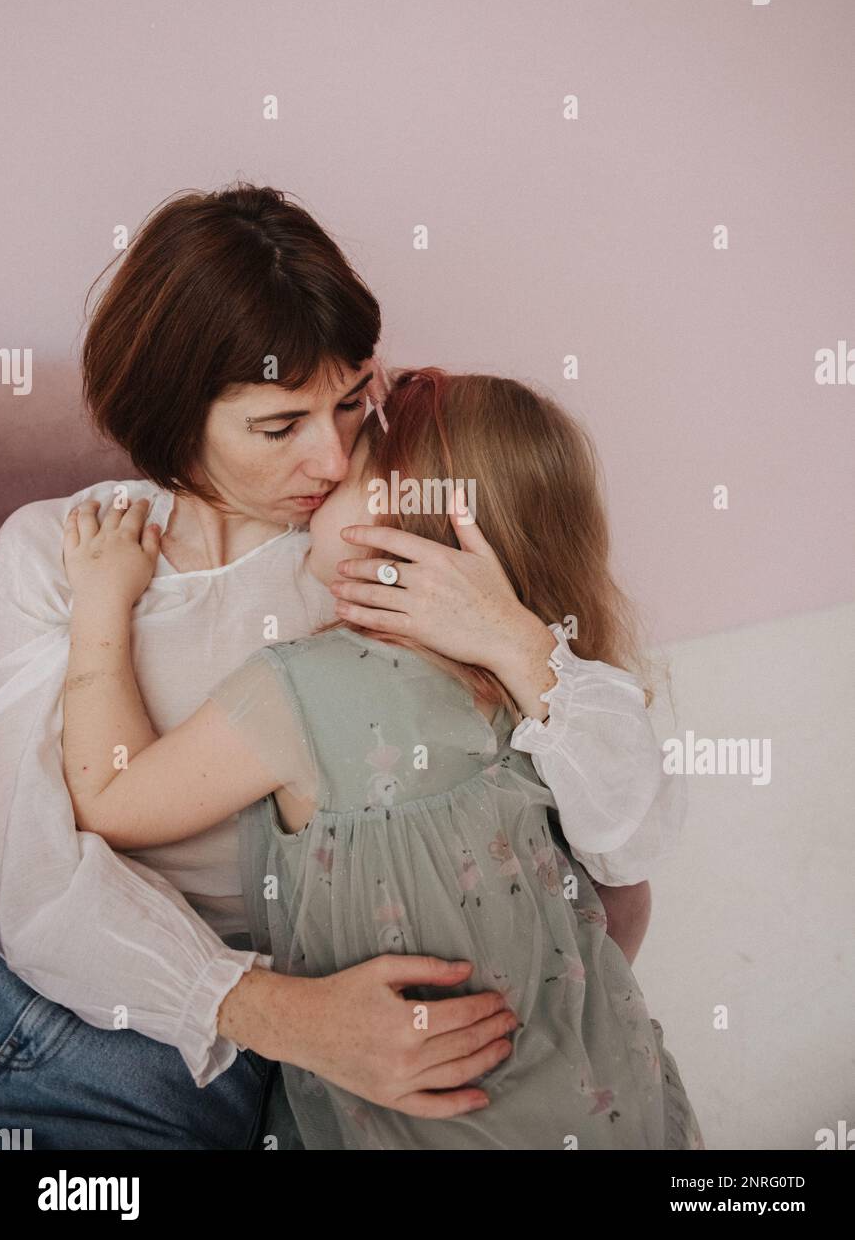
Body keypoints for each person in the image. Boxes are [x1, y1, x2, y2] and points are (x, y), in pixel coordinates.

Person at [0, 183, 657, 1149]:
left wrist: (514, 636)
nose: (333, 456)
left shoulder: (379, 546)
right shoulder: (69, 547)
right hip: (82, 1016)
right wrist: (290, 1018)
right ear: (174, 416)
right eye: (278, 426)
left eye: (352, 403)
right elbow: (38, 882)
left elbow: (611, 857)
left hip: (329, 1032)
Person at [58, 365, 702, 1150]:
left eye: (349, 473)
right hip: (610, 1094)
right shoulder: (548, 700)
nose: (320, 478)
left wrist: (100, 602)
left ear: (404, 522)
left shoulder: (301, 688)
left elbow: (112, 798)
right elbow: (623, 895)